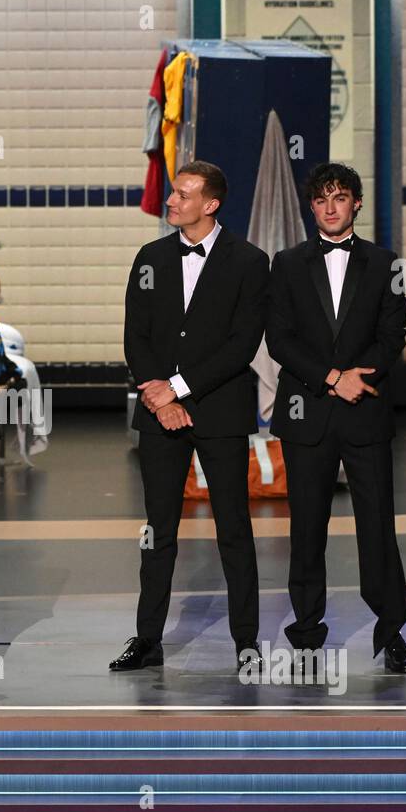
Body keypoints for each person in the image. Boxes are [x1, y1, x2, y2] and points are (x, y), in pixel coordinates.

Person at [113, 161, 268, 673]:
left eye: (183, 194)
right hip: (161, 415)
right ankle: (147, 639)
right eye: (174, 192)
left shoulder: (249, 261)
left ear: (211, 204)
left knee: (234, 529)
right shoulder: (150, 256)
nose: (171, 201)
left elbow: (241, 344)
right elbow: (135, 335)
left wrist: (177, 388)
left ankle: (247, 642)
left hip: (220, 412)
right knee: (158, 531)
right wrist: (162, 400)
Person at [265, 162, 406, 673]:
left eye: (341, 197)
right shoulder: (285, 264)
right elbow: (279, 339)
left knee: (378, 527)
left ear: (356, 203)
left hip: (366, 410)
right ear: (312, 207)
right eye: (322, 199)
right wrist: (334, 377)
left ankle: (392, 632)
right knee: (307, 530)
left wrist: (358, 379)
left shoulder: (384, 262)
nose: (331, 207)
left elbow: (392, 335)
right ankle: (306, 632)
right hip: (306, 409)